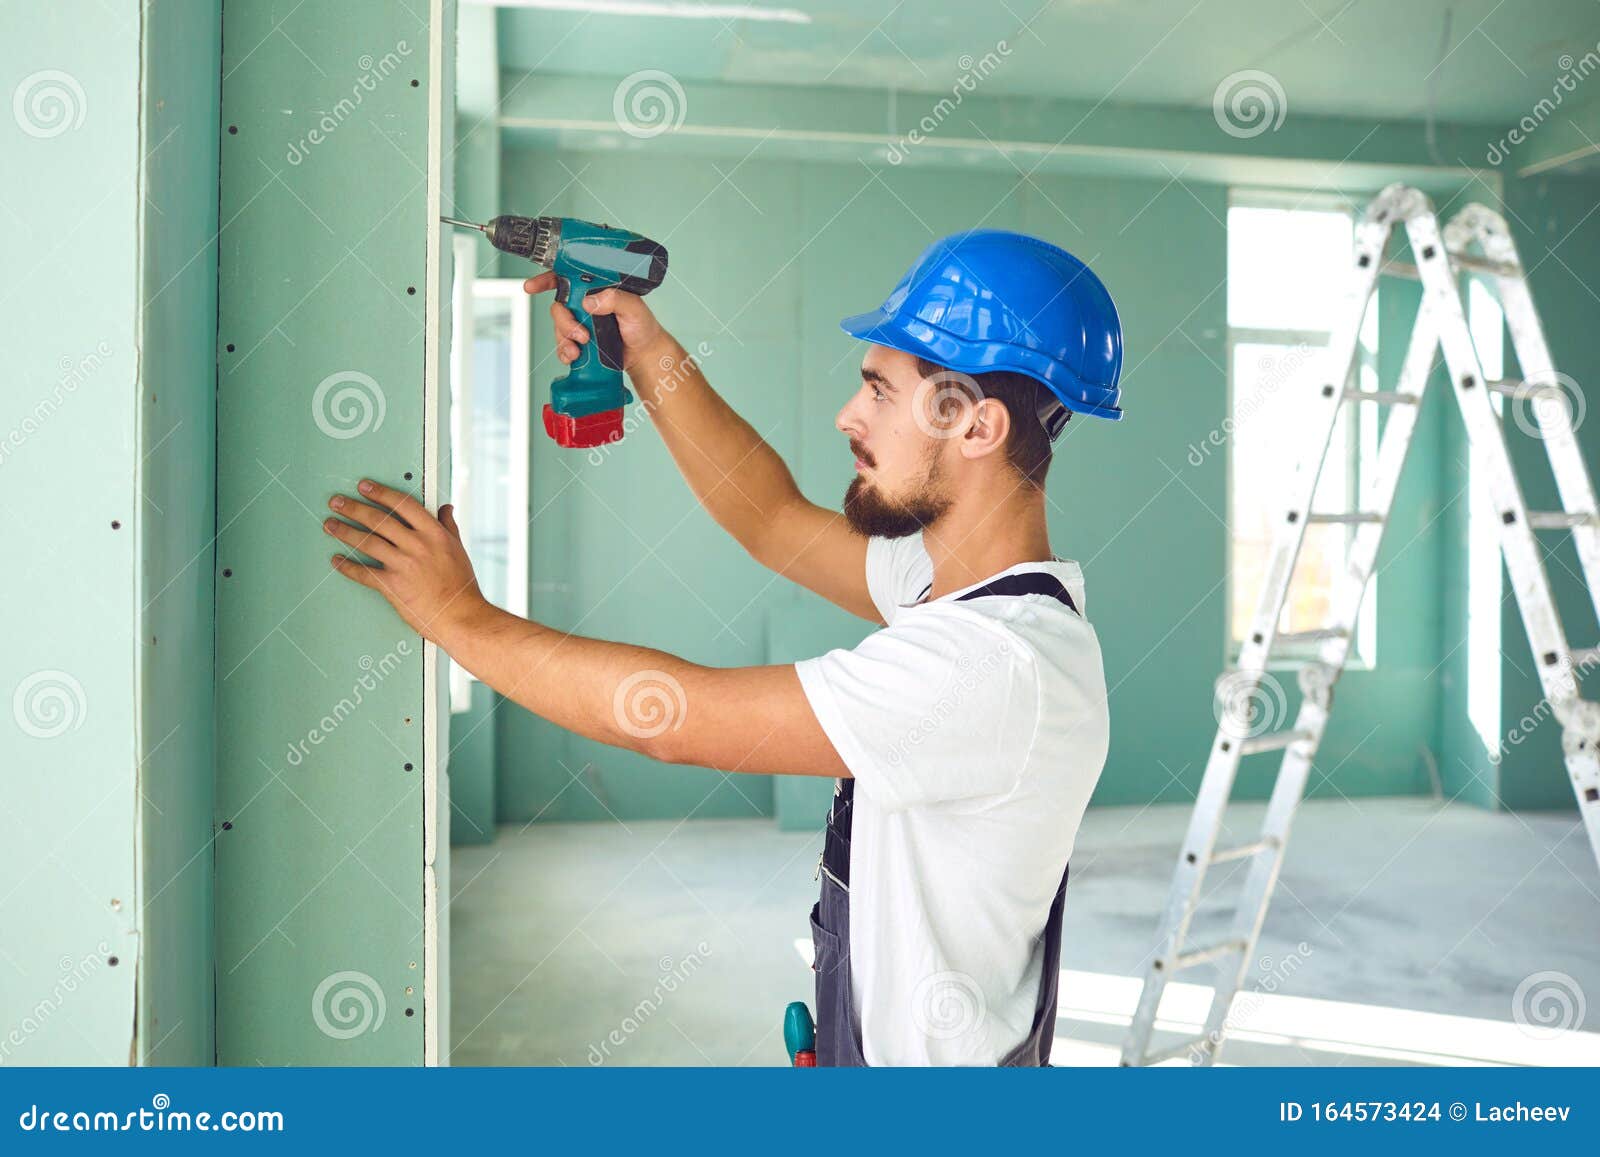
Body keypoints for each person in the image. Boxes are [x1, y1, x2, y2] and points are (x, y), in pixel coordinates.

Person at [321, 228, 1124, 1066]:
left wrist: (459, 617)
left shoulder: (990, 666)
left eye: (880, 391)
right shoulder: (959, 587)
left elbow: (668, 721)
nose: (849, 415)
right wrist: (646, 355)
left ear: (975, 426)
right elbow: (771, 518)